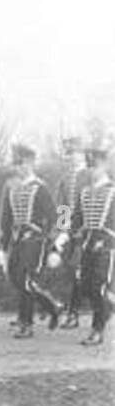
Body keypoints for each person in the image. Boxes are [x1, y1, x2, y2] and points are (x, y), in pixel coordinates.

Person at [0, 143, 61, 338]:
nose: (19, 168)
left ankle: (27, 324)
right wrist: (2, 248)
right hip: (17, 240)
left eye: (22, 164)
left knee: (25, 279)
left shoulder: (40, 188)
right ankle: (51, 306)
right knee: (15, 278)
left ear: (31, 163)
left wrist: (54, 246)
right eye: (16, 164)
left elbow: (55, 218)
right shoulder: (12, 188)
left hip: (35, 239)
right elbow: (6, 220)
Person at [68, 140, 114, 346]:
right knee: (85, 286)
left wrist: (104, 240)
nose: (92, 171)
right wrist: (67, 239)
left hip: (107, 245)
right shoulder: (84, 192)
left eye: (95, 166)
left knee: (98, 286)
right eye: (90, 167)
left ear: (105, 165)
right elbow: (76, 219)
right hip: (87, 243)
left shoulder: (113, 191)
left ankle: (97, 330)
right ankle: (110, 305)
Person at [54, 136, 93, 329]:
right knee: (74, 272)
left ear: (81, 153)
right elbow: (62, 207)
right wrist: (62, 231)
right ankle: (74, 311)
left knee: (81, 272)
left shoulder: (91, 175)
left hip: (88, 231)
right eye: (68, 153)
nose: (70, 157)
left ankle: (74, 313)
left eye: (74, 152)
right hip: (71, 232)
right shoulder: (65, 178)